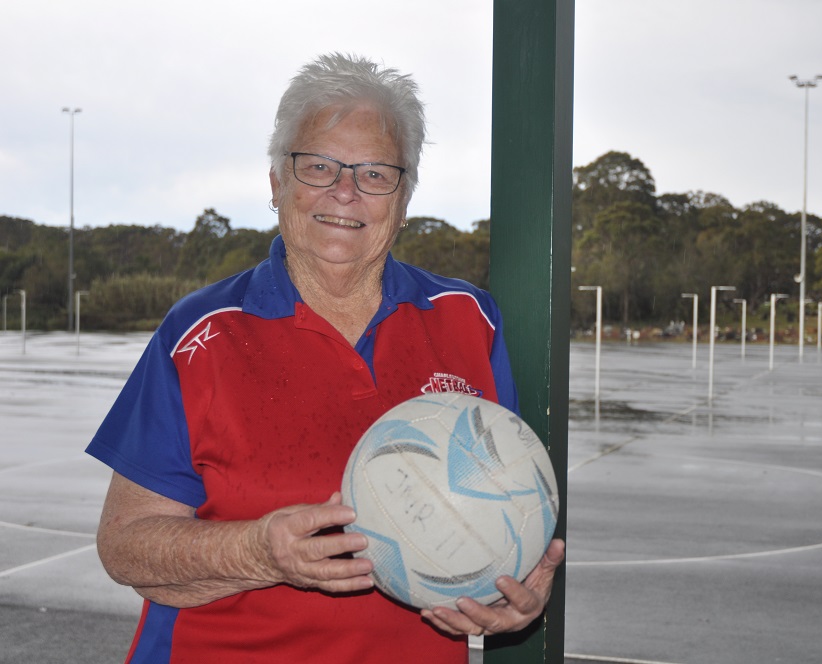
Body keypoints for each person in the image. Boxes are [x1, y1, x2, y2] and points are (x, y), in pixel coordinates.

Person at [86, 52, 565, 663]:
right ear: (276, 182)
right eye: (318, 166)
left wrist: (511, 594)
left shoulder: (469, 320)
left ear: (404, 195)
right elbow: (125, 545)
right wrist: (260, 552)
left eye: (374, 173)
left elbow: (502, 512)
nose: (344, 192)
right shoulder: (200, 334)